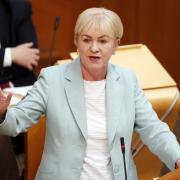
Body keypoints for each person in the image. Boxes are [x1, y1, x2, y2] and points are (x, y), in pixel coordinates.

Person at [0, 7, 180, 180]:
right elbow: (16, 121)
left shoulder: (127, 80)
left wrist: (177, 157)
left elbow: (153, 129)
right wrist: (2, 113)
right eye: (86, 40)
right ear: (76, 41)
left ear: (116, 44)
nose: (94, 48)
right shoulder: (52, 79)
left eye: (103, 41)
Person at [0, 0, 39, 179]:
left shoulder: (16, 6)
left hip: (17, 84)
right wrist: (10, 55)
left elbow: (30, 55)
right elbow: (19, 55)